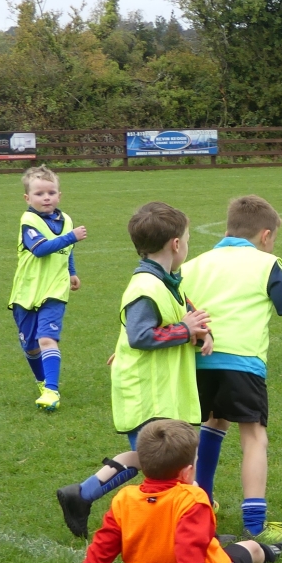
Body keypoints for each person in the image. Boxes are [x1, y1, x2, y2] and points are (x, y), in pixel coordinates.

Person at [56, 202, 212, 539]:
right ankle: (190, 525)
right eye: (186, 239)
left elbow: (184, 312)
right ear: (175, 244)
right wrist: (186, 330)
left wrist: (201, 331)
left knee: (148, 456)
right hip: (148, 391)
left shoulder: (169, 280)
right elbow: (141, 335)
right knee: (169, 460)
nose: (187, 244)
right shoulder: (145, 287)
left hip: (160, 388)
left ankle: (80, 495)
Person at [63, 419, 282, 563]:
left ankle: (223, 544)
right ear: (186, 472)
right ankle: (280, 550)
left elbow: (101, 552)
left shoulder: (124, 498)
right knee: (251, 548)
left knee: (203, 538)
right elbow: (188, 554)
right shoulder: (193, 498)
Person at [181, 195, 282, 545]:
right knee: (254, 437)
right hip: (242, 362)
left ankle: (200, 504)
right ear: (266, 236)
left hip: (195, 360)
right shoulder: (265, 263)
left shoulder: (194, 264)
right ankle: (255, 524)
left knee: (211, 422)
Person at [8, 166, 87, 411]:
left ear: (59, 196)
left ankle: (52, 390)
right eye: (40, 193)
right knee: (30, 346)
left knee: (46, 339)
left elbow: (67, 252)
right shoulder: (28, 221)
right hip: (26, 292)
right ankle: (42, 382)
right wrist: (71, 237)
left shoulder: (67, 221)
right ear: (27, 198)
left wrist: (71, 272)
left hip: (55, 291)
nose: (46, 198)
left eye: (51, 192)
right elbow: (41, 249)